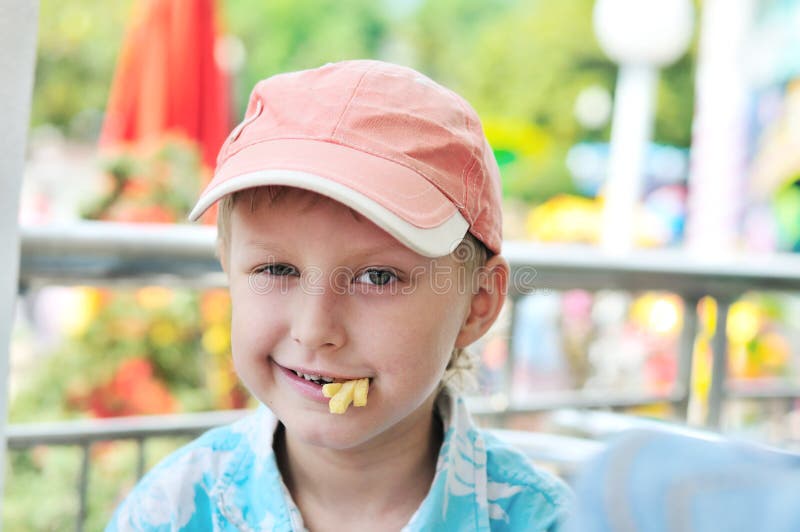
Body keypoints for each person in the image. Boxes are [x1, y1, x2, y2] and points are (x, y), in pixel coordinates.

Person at [106, 59, 571, 531]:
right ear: (229, 267)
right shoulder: (170, 511)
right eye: (276, 268)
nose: (314, 331)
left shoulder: (546, 521)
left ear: (477, 304)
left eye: (378, 278)